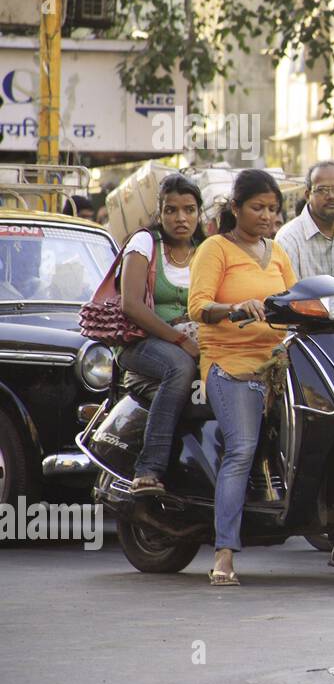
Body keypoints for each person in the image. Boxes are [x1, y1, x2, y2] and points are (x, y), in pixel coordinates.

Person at [188, 169, 299, 586]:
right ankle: (224, 553)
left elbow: (296, 300)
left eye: (273, 208)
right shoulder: (215, 249)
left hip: (278, 362)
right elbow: (198, 306)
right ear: (235, 208)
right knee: (242, 449)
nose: (268, 216)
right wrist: (235, 308)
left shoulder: (279, 252)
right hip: (230, 364)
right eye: (258, 207)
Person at [118, 174, 204, 497]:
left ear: (199, 213)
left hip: (197, 343)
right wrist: (181, 340)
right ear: (160, 213)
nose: (180, 218)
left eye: (189, 210)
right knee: (179, 367)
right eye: (171, 210)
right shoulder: (144, 243)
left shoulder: (207, 249)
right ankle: (148, 469)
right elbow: (132, 305)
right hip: (142, 343)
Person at [275, 160, 334, 280]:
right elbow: (289, 294)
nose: (331, 196)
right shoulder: (288, 239)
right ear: (308, 195)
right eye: (322, 189)